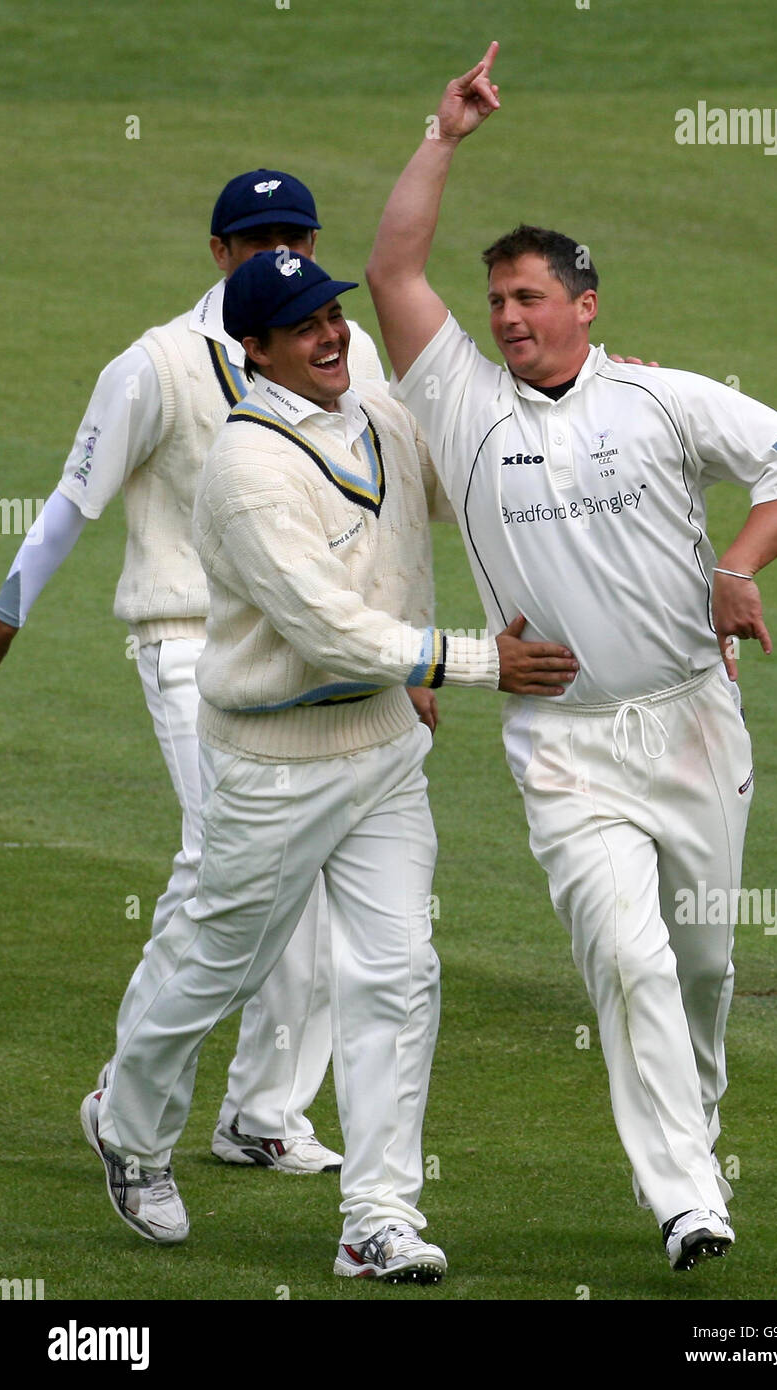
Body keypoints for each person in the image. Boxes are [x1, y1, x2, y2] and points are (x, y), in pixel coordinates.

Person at [365, 42, 777, 1270]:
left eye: (530, 299)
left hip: (690, 718)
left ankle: (694, 1125)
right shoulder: (463, 405)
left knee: (698, 961)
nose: (507, 320)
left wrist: (735, 568)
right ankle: (687, 1197)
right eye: (497, 305)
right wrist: (444, 134)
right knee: (627, 958)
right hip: (566, 746)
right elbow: (389, 269)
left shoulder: (662, 398)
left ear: (585, 305)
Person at [79, 249, 578, 1281]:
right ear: (254, 348)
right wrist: (476, 660)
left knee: (399, 972)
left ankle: (376, 1219)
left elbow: (471, 481)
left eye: (332, 314)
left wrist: (574, 411)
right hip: (271, 764)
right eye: (300, 324)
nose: (329, 333)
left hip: (385, 751)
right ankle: (128, 1130)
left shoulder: (383, 413)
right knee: (219, 966)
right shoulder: (245, 467)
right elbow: (328, 630)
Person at [0, 169, 389, 1176]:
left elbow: (390, 484)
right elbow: (70, 502)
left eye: (291, 233)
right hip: (186, 644)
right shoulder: (155, 364)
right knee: (247, 878)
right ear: (217, 251)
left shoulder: (343, 348)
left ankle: (251, 1112)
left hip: (315, 655)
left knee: (243, 881)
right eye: (253, 238)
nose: (274, 250)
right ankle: (181, 1104)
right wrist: (6, 610)